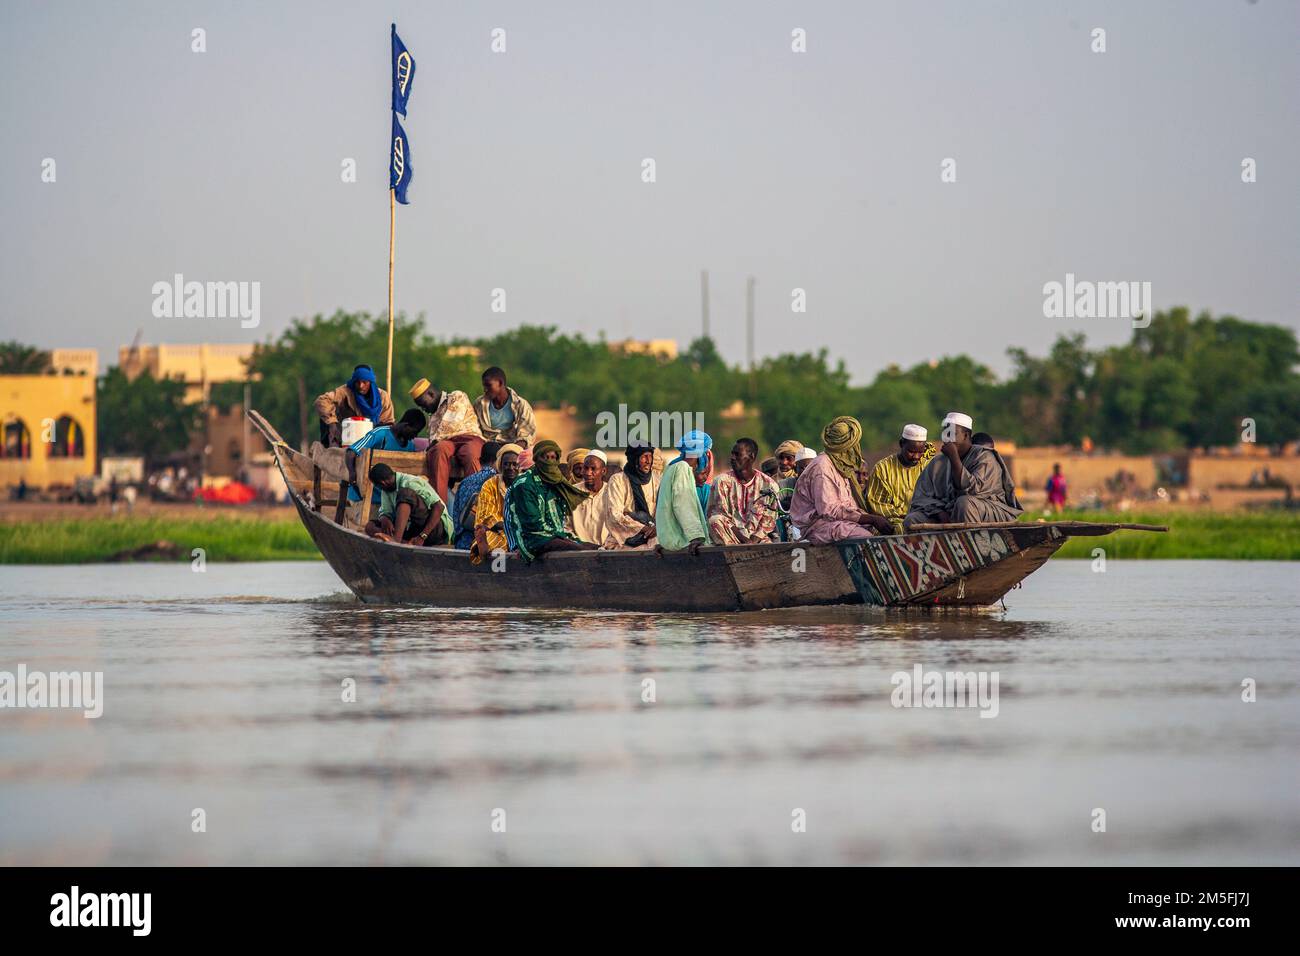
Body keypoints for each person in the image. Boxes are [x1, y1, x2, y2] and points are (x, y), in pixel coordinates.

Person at [903, 412, 1023, 530]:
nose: (947, 439)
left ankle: (974, 546)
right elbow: (920, 498)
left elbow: (971, 491)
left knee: (964, 503)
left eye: (951, 434)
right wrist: (938, 512)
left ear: (966, 435)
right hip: (950, 511)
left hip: (987, 510)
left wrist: (954, 458)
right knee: (913, 519)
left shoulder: (984, 457)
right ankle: (937, 549)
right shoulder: (937, 462)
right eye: (945, 434)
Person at [788, 416, 894, 543]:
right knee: (867, 539)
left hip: (840, 521)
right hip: (819, 526)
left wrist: (873, 518)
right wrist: (871, 519)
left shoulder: (839, 465)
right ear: (846, 446)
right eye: (854, 444)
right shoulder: (822, 467)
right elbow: (829, 510)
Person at [505, 439, 599, 561]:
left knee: (597, 548)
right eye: (546, 457)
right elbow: (533, 525)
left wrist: (565, 537)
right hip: (533, 540)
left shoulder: (555, 481)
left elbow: (560, 519)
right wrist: (562, 537)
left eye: (553, 457)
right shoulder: (524, 484)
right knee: (580, 551)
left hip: (555, 536)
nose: (550, 461)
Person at [410, 378, 485, 507]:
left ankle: (476, 503)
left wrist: (434, 442)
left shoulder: (456, 396)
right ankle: (440, 506)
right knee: (438, 451)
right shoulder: (432, 418)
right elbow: (434, 442)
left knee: (470, 453)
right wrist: (433, 446)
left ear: (431, 395)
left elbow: (451, 424)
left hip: (468, 436)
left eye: (423, 404)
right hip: (448, 443)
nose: (423, 409)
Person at [865, 423, 938, 534]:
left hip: (923, 518)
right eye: (911, 452)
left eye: (920, 452)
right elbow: (876, 504)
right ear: (901, 444)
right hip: (893, 521)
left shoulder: (929, 466)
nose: (916, 457)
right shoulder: (882, 468)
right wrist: (904, 515)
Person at [708, 438, 782, 545]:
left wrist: (752, 541)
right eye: (732, 454)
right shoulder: (722, 481)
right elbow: (721, 515)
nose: (732, 458)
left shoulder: (769, 484)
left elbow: (769, 519)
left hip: (756, 539)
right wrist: (744, 541)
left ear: (751, 456)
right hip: (730, 536)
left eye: (737, 454)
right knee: (715, 520)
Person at [344, 408, 427, 503]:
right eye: (414, 432)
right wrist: (352, 472)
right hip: (364, 495)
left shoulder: (410, 445)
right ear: (406, 425)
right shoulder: (380, 433)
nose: (415, 436)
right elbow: (351, 451)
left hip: (389, 499)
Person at [654, 430, 713, 554]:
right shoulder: (682, 468)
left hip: (669, 540)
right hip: (682, 541)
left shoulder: (670, 468)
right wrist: (696, 537)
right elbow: (683, 504)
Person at [364, 463, 452, 546]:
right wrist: (385, 519)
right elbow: (385, 512)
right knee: (370, 527)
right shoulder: (386, 489)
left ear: (383, 483)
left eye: (377, 486)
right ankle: (406, 543)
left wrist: (422, 536)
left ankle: (396, 541)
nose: (379, 489)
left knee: (405, 493)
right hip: (412, 530)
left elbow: (439, 507)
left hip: (434, 531)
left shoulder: (410, 482)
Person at [315, 365, 394, 446]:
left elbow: (388, 422)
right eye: (358, 382)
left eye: (364, 382)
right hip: (345, 438)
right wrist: (332, 423)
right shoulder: (345, 391)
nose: (360, 386)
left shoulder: (383, 396)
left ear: (370, 382)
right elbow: (322, 400)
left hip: (372, 440)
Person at [601, 441, 660, 549]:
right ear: (634, 459)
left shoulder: (657, 480)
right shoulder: (618, 480)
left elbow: (662, 512)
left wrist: (655, 528)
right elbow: (615, 516)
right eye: (644, 457)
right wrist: (643, 528)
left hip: (653, 537)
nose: (648, 461)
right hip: (623, 540)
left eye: (650, 456)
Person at [471, 443, 520, 564]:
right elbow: (486, 515)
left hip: (523, 531)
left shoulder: (525, 484)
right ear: (500, 465)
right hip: (497, 531)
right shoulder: (490, 484)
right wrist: (509, 528)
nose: (510, 468)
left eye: (515, 464)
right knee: (485, 541)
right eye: (506, 464)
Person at [448, 441, 502, 549]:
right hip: (487, 545)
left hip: (463, 544)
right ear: (499, 461)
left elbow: (457, 516)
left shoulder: (465, 482)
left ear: (480, 460)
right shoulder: (499, 482)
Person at [473, 366, 537, 447]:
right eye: (484, 386)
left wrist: (514, 450)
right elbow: (474, 429)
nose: (485, 389)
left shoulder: (521, 405)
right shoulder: (479, 404)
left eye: (488, 385)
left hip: (512, 446)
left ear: (500, 383)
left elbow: (527, 434)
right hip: (487, 446)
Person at [569, 449, 610, 546]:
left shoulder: (613, 492)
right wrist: (578, 544)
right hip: (578, 549)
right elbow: (566, 526)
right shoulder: (571, 492)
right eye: (585, 468)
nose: (588, 473)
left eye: (593, 469)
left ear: (603, 471)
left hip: (608, 549)